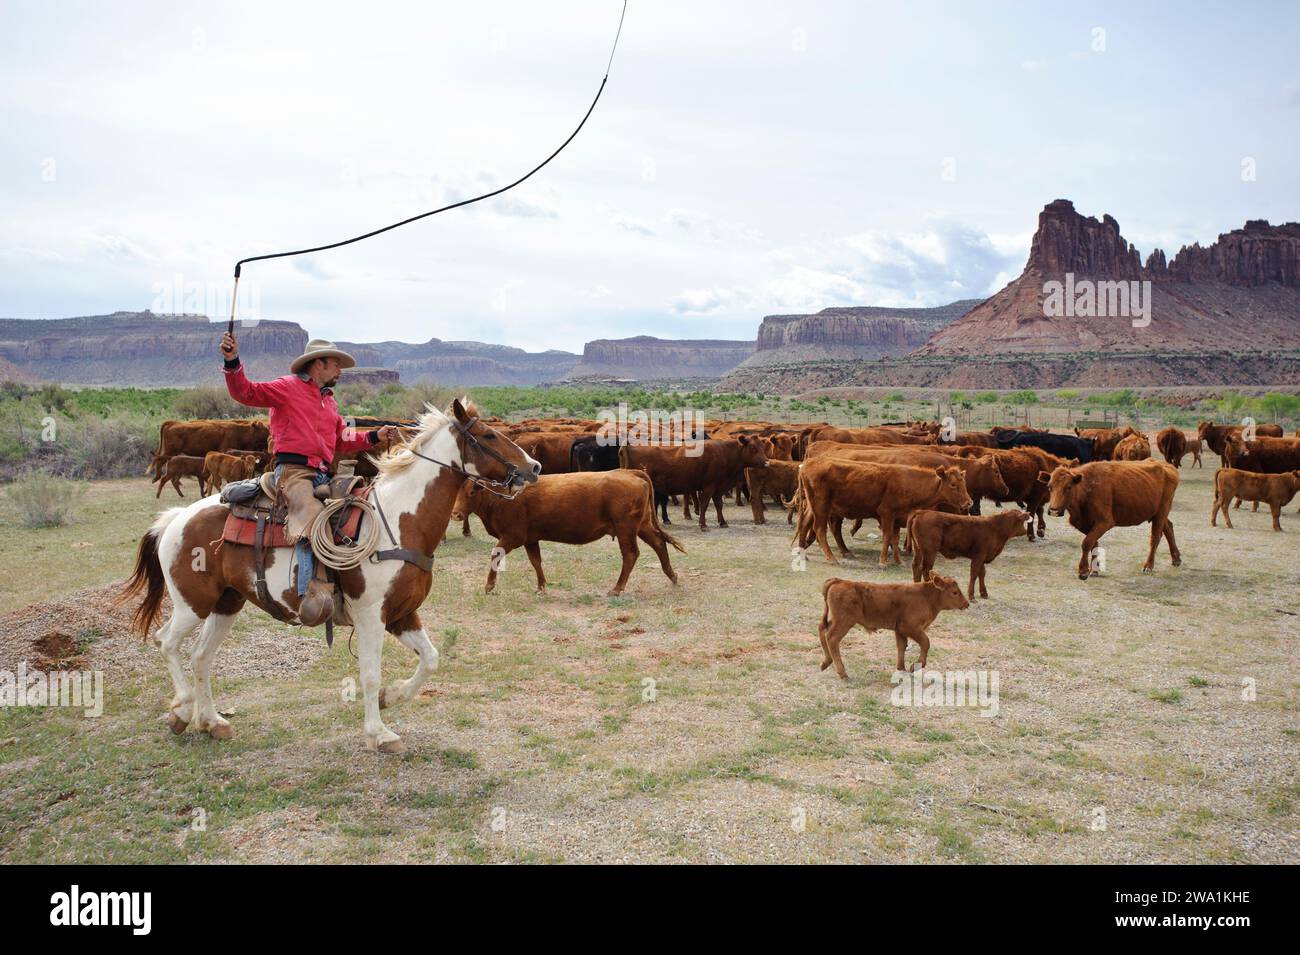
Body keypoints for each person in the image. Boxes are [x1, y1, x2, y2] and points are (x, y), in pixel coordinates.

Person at [219, 331, 399, 625]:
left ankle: (355, 585)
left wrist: (373, 436)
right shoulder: (287, 388)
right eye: (336, 364)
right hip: (292, 473)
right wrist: (231, 361)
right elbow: (246, 392)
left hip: (322, 473)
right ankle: (311, 595)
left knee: (358, 508)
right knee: (311, 522)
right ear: (318, 365)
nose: (340, 370)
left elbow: (341, 436)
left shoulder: (329, 401)